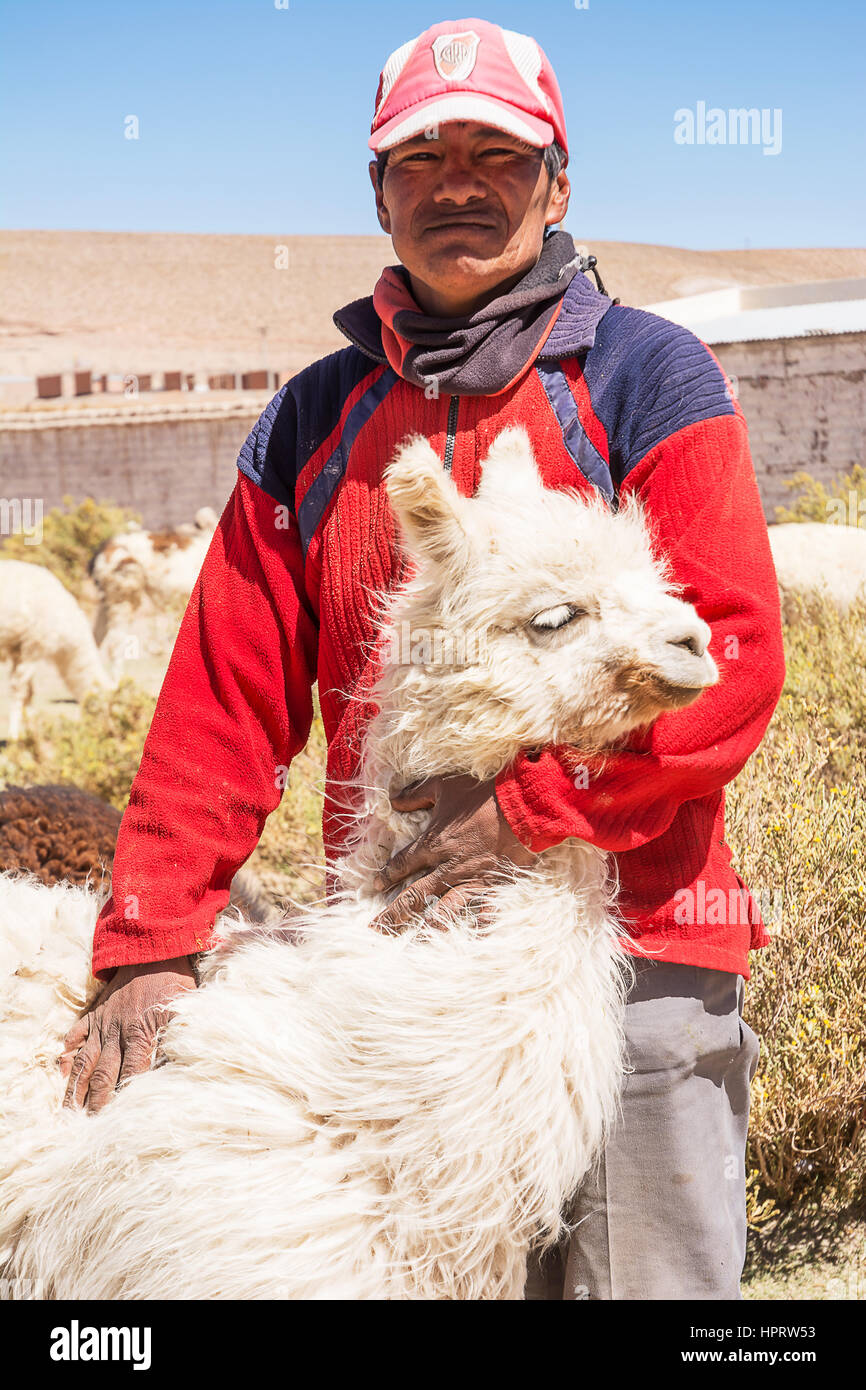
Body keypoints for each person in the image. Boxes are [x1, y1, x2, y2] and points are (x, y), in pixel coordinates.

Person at [59, 17, 785, 1299]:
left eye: (497, 153)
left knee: (652, 1291)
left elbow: (725, 657)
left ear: (555, 181)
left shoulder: (644, 375)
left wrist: (528, 814)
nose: (460, 181)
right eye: (423, 157)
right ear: (378, 192)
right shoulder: (313, 417)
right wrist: (151, 939)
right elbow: (224, 697)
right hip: (395, 963)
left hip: (642, 942)